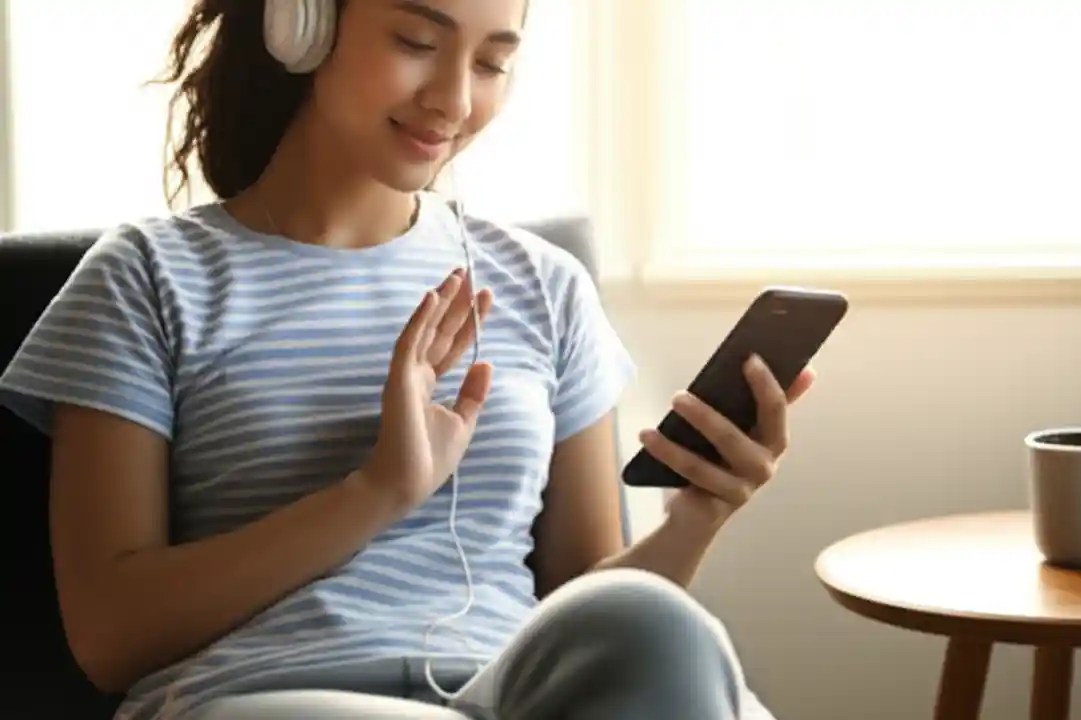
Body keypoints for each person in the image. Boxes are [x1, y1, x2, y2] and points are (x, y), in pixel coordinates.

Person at [0, 1, 817, 718]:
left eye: (494, 61)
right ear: (303, 22)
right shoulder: (144, 279)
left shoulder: (544, 286)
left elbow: (583, 608)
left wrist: (696, 518)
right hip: (263, 698)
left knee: (659, 627)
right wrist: (376, 492)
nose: (456, 101)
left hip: (517, 693)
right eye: (417, 42)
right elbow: (110, 637)